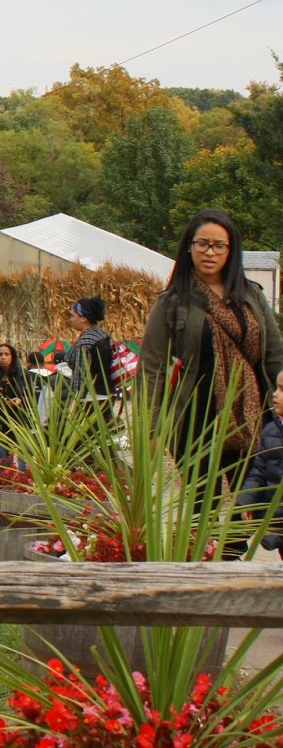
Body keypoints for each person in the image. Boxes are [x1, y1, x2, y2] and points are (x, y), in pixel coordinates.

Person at [141, 209, 283, 482]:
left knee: (251, 498)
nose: (210, 252)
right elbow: (151, 369)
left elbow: (274, 355)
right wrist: (151, 428)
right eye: (202, 244)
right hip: (196, 418)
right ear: (189, 247)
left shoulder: (251, 296)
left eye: (219, 245)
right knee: (201, 502)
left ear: (230, 251)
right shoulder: (172, 303)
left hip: (253, 416)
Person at [238, 368, 283, 554]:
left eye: (282, 389)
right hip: (277, 518)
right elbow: (258, 472)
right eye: (277, 387)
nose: (275, 394)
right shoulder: (271, 431)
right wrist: (247, 501)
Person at [61, 297, 115, 402]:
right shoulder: (102, 335)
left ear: (83, 318)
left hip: (92, 397)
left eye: (73, 316)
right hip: (107, 392)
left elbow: (80, 376)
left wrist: (75, 401)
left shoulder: (85, 342)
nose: (71, 320)